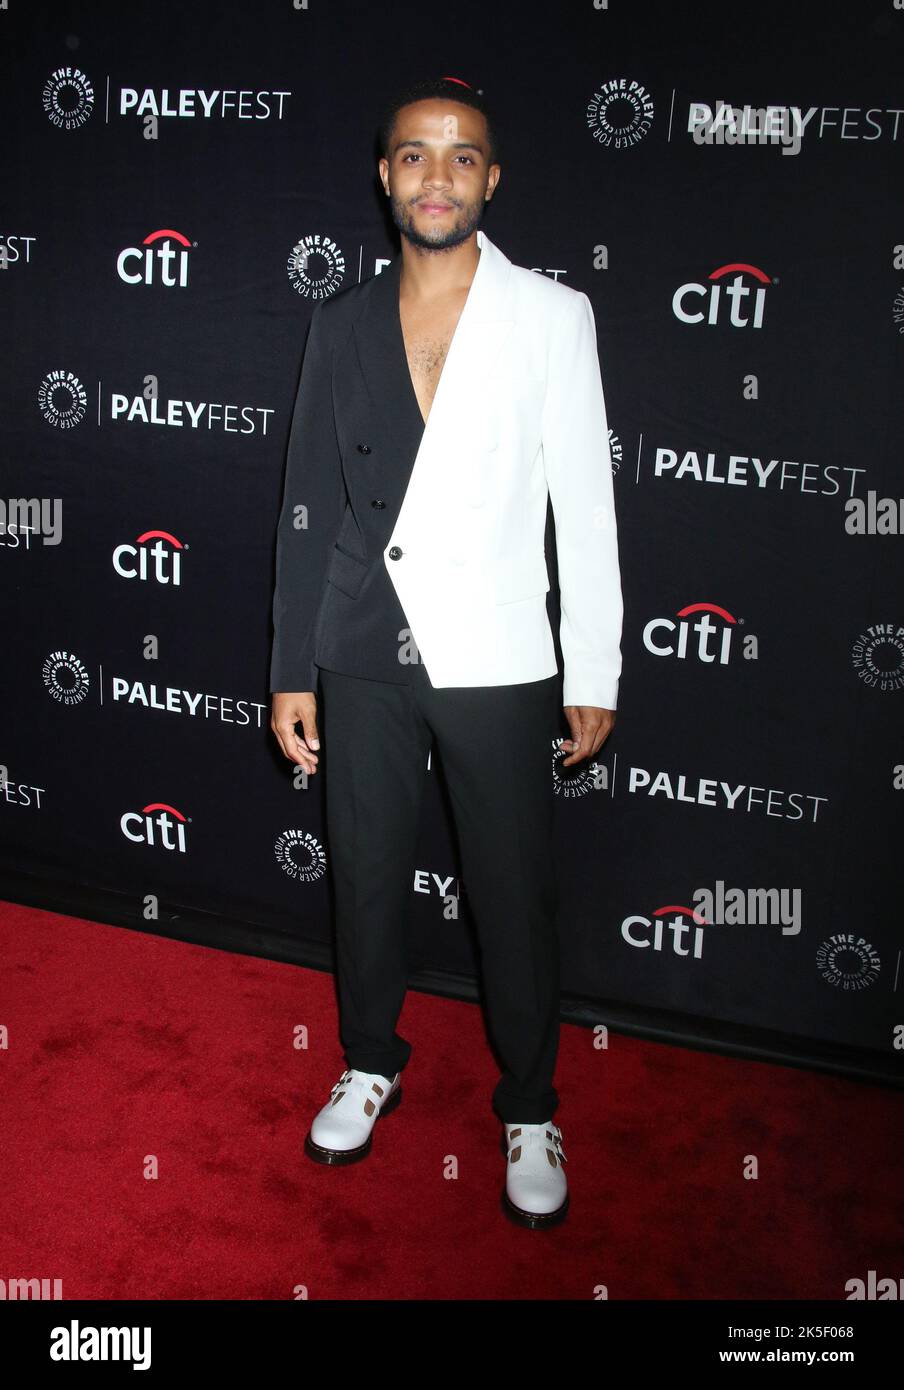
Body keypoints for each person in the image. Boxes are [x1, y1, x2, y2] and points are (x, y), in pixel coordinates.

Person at [269, 76, 623, 1229]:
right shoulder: (341, 320)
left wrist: (594, 667)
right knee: (365, 875)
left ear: (491, 177)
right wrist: (289, 664)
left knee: (511, 893)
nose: (437, 175)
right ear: (385, 176)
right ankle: (370, 1056)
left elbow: (585, 500)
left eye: (460, 156)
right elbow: (308, 505)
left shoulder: (552, 315)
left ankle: (529, 1103)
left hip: (501, 651)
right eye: (414, 156)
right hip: (363, 647)